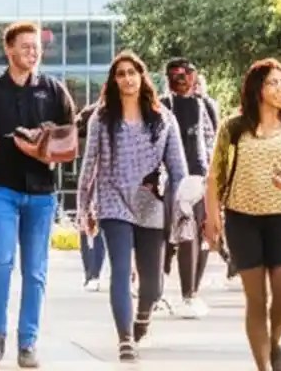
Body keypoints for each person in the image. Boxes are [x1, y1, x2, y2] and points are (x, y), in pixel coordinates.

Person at [0, 21, 77, 369]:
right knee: (2, 261)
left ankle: (28, 341)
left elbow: (70, 137)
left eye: (37, 47)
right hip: (1, 188)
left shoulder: (54, 90)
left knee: (35, 272)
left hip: (42, 192)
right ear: (9, 50)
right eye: (26, 46)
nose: (33, 52)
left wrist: (45, 140)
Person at [77, 52, 188, 361]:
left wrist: (181, 209)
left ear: (142, 77)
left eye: (132, 73)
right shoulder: (101, 118)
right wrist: (84, 207)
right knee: (121, 271)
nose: (127, 78)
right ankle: (125, 338)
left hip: (150, 202)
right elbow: (90, 165)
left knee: (153, 285)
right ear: (114, 80)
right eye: (121, 73)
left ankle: (142, 318)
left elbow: (178, 170)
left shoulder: (163, 118)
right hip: (113, 202)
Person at [204, 59, 281, 371]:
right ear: (257, 89)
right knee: (256, 299)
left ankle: (272, 342)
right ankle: (264, 366)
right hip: (241, 218)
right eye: (273, 82)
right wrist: (213, 217)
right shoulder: (233, 128)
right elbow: (214, 176)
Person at [159, 57, 219, 318]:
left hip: (197, 177)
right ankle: (157, 290)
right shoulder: (161, 106)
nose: (182, 80)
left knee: (196, 235)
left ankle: (190, 293)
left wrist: (212, 180)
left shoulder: (205, 105)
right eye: (176, 75)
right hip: (168, 178)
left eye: (187, 74)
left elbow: (212, 141)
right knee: (163, 236)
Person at [75, 102, 107, 292]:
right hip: (91, 170)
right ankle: (91, 274)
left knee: (99, 226)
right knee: (88, 223)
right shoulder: (92, 114)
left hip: (105, 174)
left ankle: (93, 273)